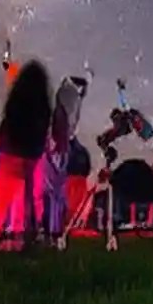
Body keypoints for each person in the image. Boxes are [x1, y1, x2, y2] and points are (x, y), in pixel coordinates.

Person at [0, 61, 52, 249]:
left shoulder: (16, 102)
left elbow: (4, 128)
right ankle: (20, 239)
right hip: (32, 159)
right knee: (22, 203)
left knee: (0, 201)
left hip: (10, 154)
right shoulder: (43, 107)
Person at [38, 75, 87, 238]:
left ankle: (50, 231)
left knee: (51, 198)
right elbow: (75, 118)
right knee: (55, 199)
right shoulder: (64, 132)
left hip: (51, 164)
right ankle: (54, 232)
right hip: (57, 164)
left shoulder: (53, 131)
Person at [64, 135, 92, 227]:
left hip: (71, 178)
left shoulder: (69, 150)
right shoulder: (82, 150)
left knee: (72, 203)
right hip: (79, 178)